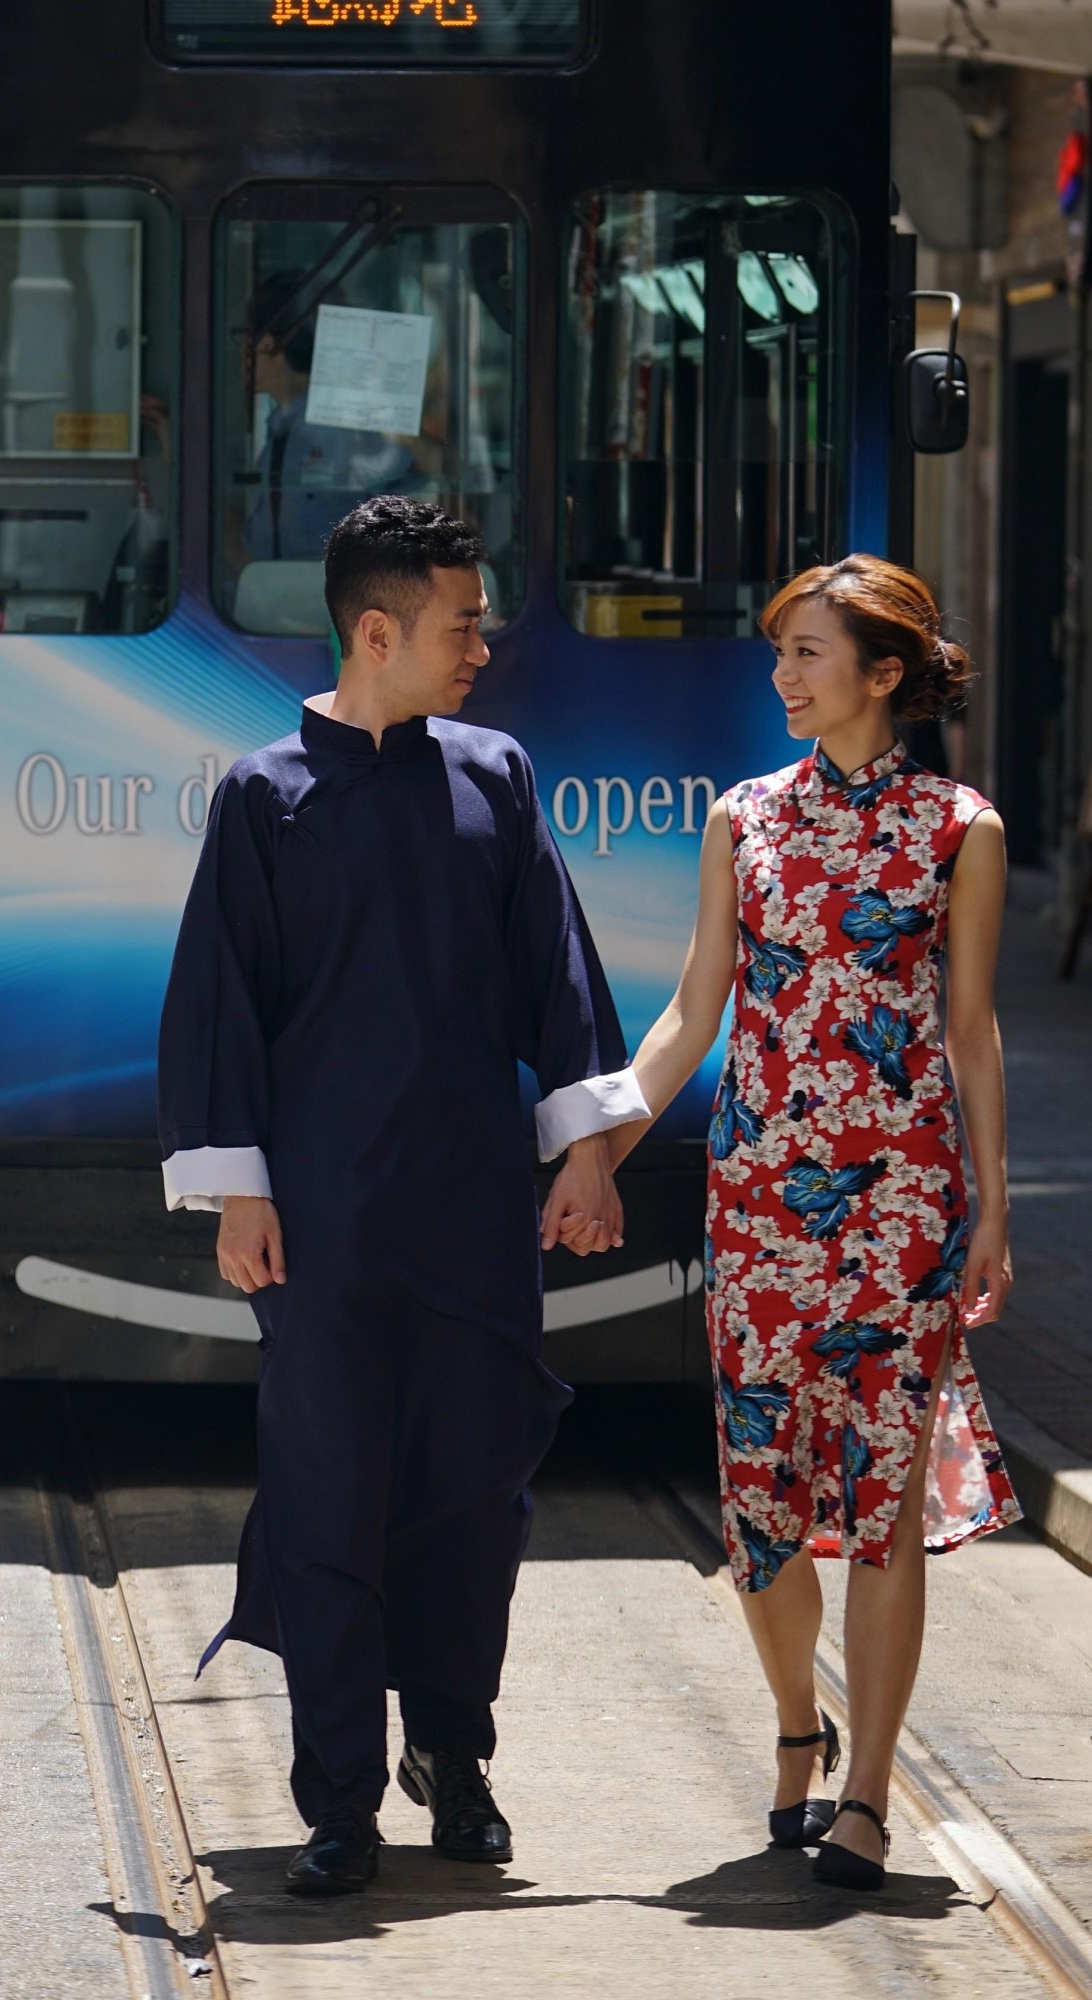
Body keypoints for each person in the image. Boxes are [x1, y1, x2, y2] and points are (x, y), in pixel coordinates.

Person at [157, 496, 647, 1897]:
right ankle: (338, 1800)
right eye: (461, 623)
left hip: (472, 1209)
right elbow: (218, 1010)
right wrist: (240, 1195)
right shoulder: (265, 797)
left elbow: (556, 974)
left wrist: (589, 1151)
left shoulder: (493, 776)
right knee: (326, 1497)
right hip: (319, 1219)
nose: (481, 645)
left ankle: (456, 1754)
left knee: (470, 1500)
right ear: (379, 632)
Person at [598, 554, 1021, 1893]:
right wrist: (596, 1141)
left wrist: (994, 1206)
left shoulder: (964, 828)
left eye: (806, 654)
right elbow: (692, 1012)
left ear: (881, 674)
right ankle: (797, 1723)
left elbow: (970, 1030)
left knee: (884, 1507)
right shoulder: (745, 817)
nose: (780, 675)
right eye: (780, 653)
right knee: (763, 1506)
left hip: (906, 1211)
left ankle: (871, 1795)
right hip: (763, 1202)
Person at [240, 270, 414, 563]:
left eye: (245, 338)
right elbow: (255, 550)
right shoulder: (281, 426)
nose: (241, 352)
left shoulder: (348, 427)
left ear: (267, 344)